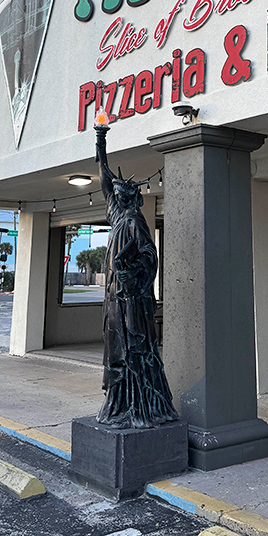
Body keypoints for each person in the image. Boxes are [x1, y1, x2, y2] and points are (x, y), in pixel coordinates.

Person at [94, 124, 178, 428]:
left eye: (120, 194)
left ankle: (140, 406)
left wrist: (133, 272)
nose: (115, 197)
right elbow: (104, 179)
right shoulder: (118, 218)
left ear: (130, 198)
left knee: (133, 353)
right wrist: (100, 143)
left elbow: (149, 257)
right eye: (115, 195)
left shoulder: (133, 222)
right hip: (115, 301)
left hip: (131, 301)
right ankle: (119, 405)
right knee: (116, 351)